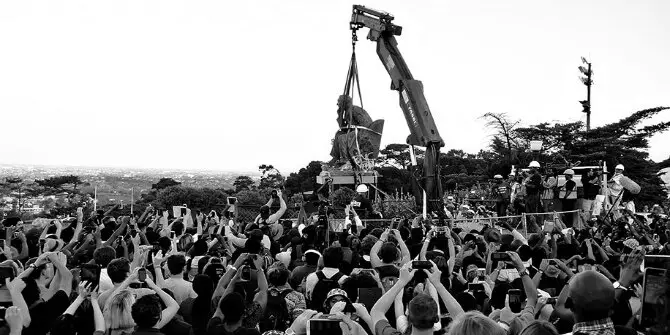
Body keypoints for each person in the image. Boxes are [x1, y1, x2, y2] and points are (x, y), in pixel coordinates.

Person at [564, 270, 642, 335]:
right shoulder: (631, 333)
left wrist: (574, 277)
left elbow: (559, 308)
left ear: (570, 305)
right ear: (612, 309)